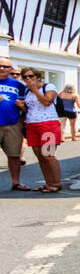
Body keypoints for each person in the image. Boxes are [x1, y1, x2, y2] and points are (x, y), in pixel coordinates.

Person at [19, 69, 61, 193]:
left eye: (30, 76)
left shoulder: (48, 87)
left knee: (48, 155)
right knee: (40, 156)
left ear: (38, 77)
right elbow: (30, 110)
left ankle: (56, 183)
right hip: (32, 125)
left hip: (48, 124)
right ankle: (48, 183)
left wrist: (36, 90)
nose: (27, 79)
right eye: (24, 77)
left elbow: (47, 102)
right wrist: (22, 106)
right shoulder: (27, 91)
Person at [0, 56, 29, 191]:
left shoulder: (18, 85)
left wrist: (21, 107)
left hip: (12, 124)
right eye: (0, 65)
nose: (2, 68)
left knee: (14, 155)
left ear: (10, 69)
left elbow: (26, 107)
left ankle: (16, 182)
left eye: (5, 67)